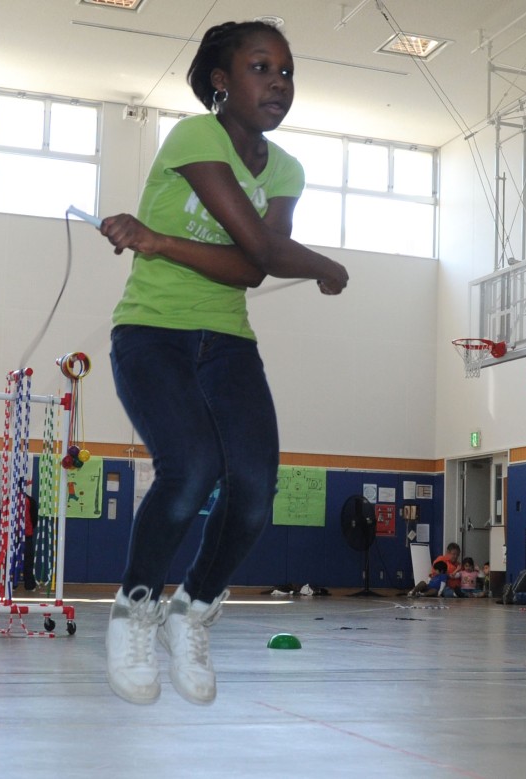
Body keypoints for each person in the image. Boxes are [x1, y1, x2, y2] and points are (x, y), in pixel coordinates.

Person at [95, 19, 349, 707]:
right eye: (261, 68)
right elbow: (263, 257)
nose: (278, 83)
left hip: (228, 343)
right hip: (153, 333)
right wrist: (323, 265)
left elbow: (250, 270)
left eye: (286, 71)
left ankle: (194, 607)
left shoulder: (288, 169)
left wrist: (159, 238)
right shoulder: (194, 137)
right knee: (191, 468)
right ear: (221, 80)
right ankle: (134, 609)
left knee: (257, 490)